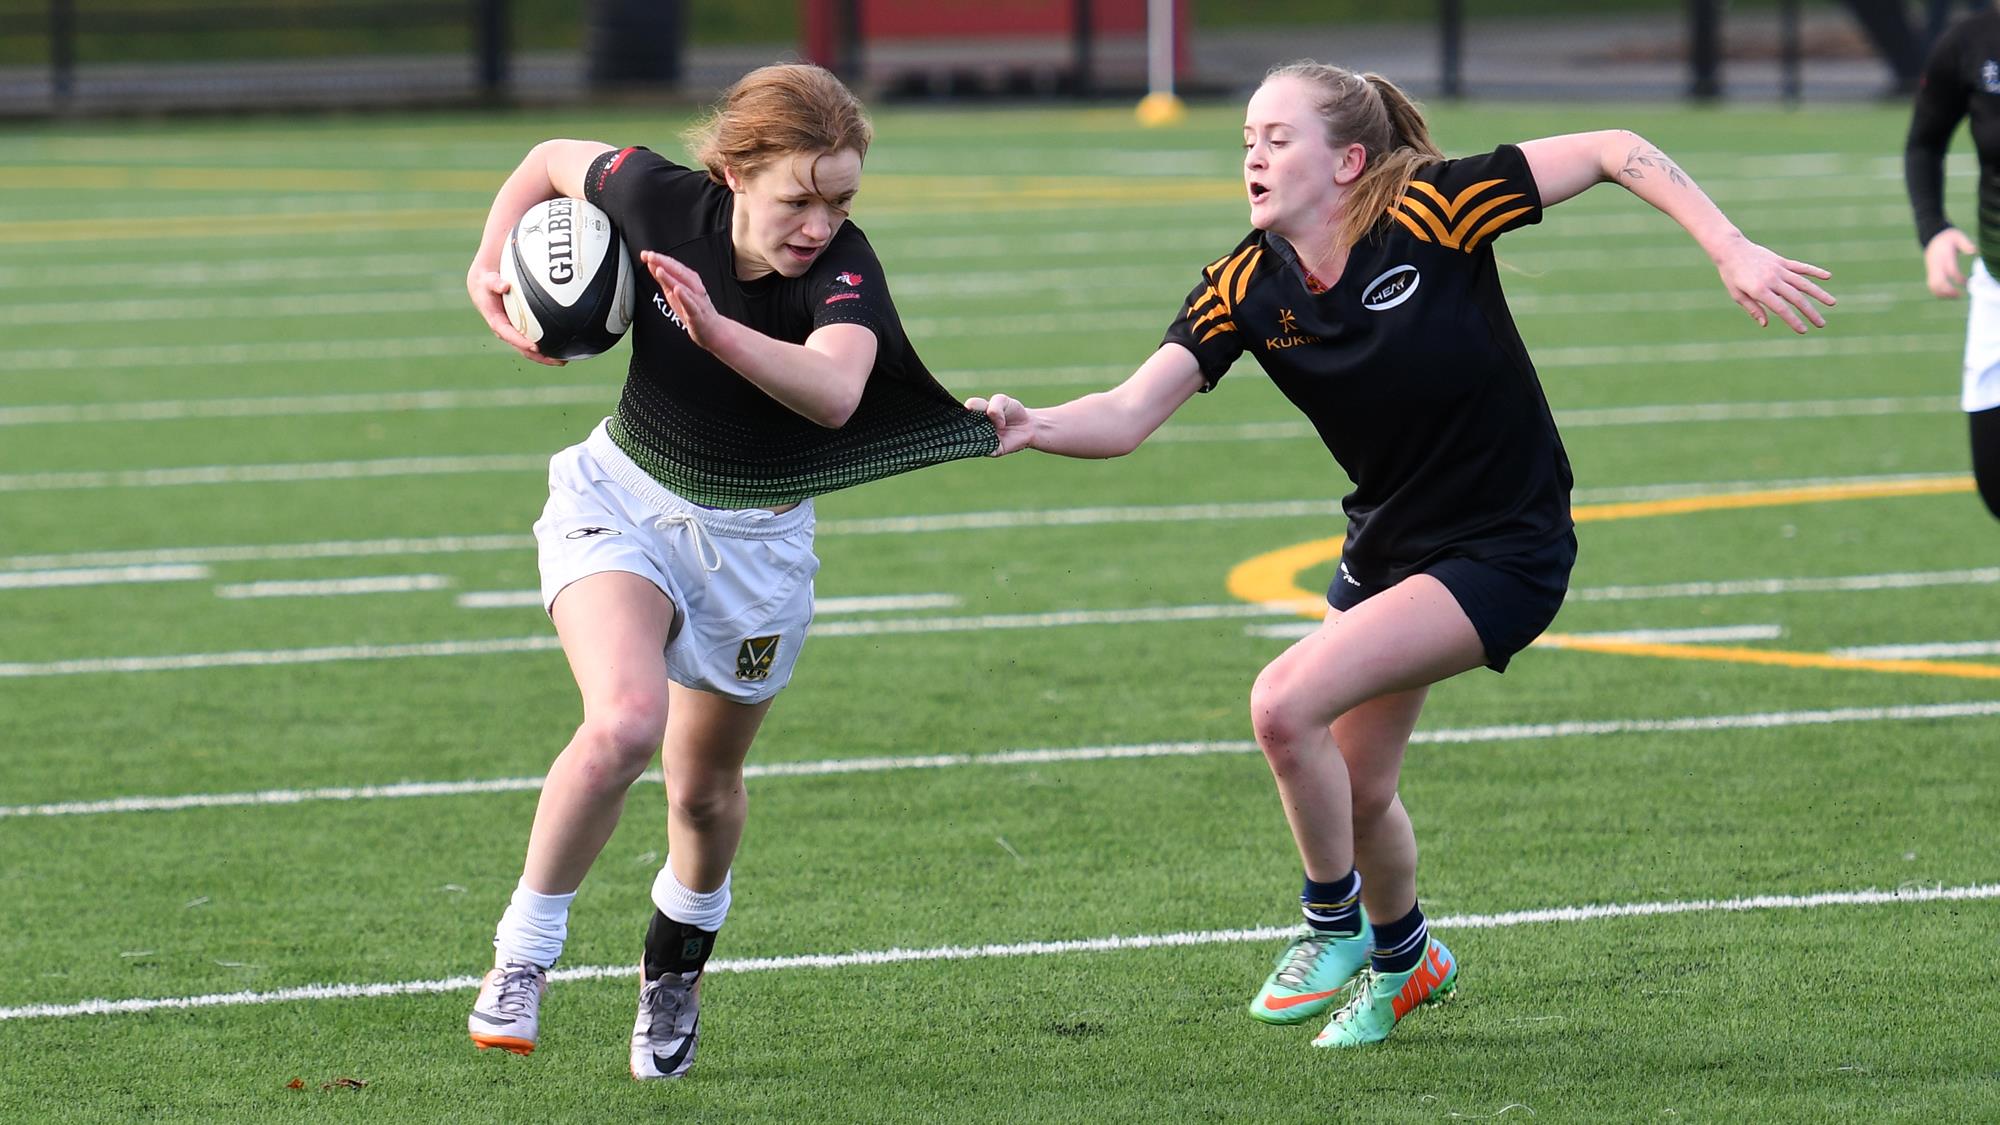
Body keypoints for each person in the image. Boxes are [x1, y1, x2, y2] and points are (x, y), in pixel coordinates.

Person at [967, 61, 1834, 1048]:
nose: (1251, 154)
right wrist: (1031, 424)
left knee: (1280, 705)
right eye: (1244, 138)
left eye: (1276, 138)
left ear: (1345, 161)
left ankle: (1328, 924)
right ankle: (1404, 957)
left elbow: (1609, 151)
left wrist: (1728, 247)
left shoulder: (1433, 209)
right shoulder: (1244, 286)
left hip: (1505, 547)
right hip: (1388, 545)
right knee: (1357, 784)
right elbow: (1125, 415)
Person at [460, 63, 996, 1079]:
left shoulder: (840, 271)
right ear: (731, 173)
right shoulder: (661, 199)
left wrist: (719, 330)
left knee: (702, 793)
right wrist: (488, 263)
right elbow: (542, 161)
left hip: (753, 550)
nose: (820, 221)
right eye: (799, 196)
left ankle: (672, 971)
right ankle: (521, 956)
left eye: (841, 198)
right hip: (620, 502)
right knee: (623, 722)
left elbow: (837, 392)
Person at [1905, 2, 2000, 520]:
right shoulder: (1969, 43)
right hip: (1996, 285)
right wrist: (1934, 230)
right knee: (1996, 486)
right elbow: (1924, 143)